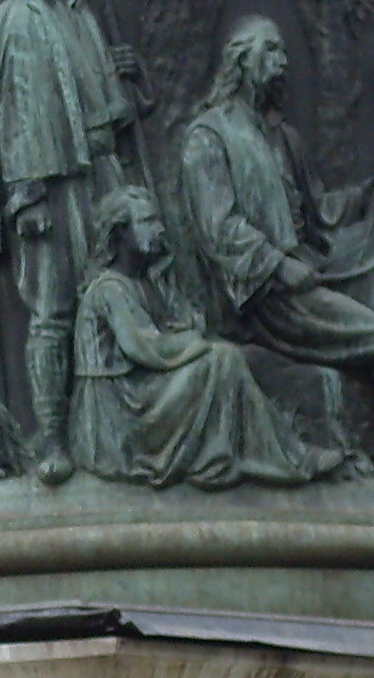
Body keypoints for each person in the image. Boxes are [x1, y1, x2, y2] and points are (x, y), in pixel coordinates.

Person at [177, 16, 374, 490]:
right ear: (242, 60)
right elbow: (218, 229)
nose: (282, 64)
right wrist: (278, 266)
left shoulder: (282, 137)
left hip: (311, 270)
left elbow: (318, 212)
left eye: (282, 52)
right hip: (263, 296)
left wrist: (367, 194)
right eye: (272, 52)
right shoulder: (208, 137)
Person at [0, 0, 140, 481]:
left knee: (114, 298)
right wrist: (26, 196)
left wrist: (123, 84)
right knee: (52, 314)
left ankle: (109, 429)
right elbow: (13, 118)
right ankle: (53, 440)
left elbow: (105, 106)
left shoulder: (82, 16)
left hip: (98, 176)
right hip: (47, 189)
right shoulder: (10, 26)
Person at [71, 187, 338, 489]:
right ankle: (283, 458)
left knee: (228, 359)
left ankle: (267, 452)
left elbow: (182, 325)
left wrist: (174, 297)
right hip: (119, 414)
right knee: (222, 359)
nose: (159, 230)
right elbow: (146, 348)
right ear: (120, 234)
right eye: (147, 221)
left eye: (158, 220)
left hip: (142, 394)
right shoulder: (110, 289)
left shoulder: (145, 283)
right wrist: (199, 345)